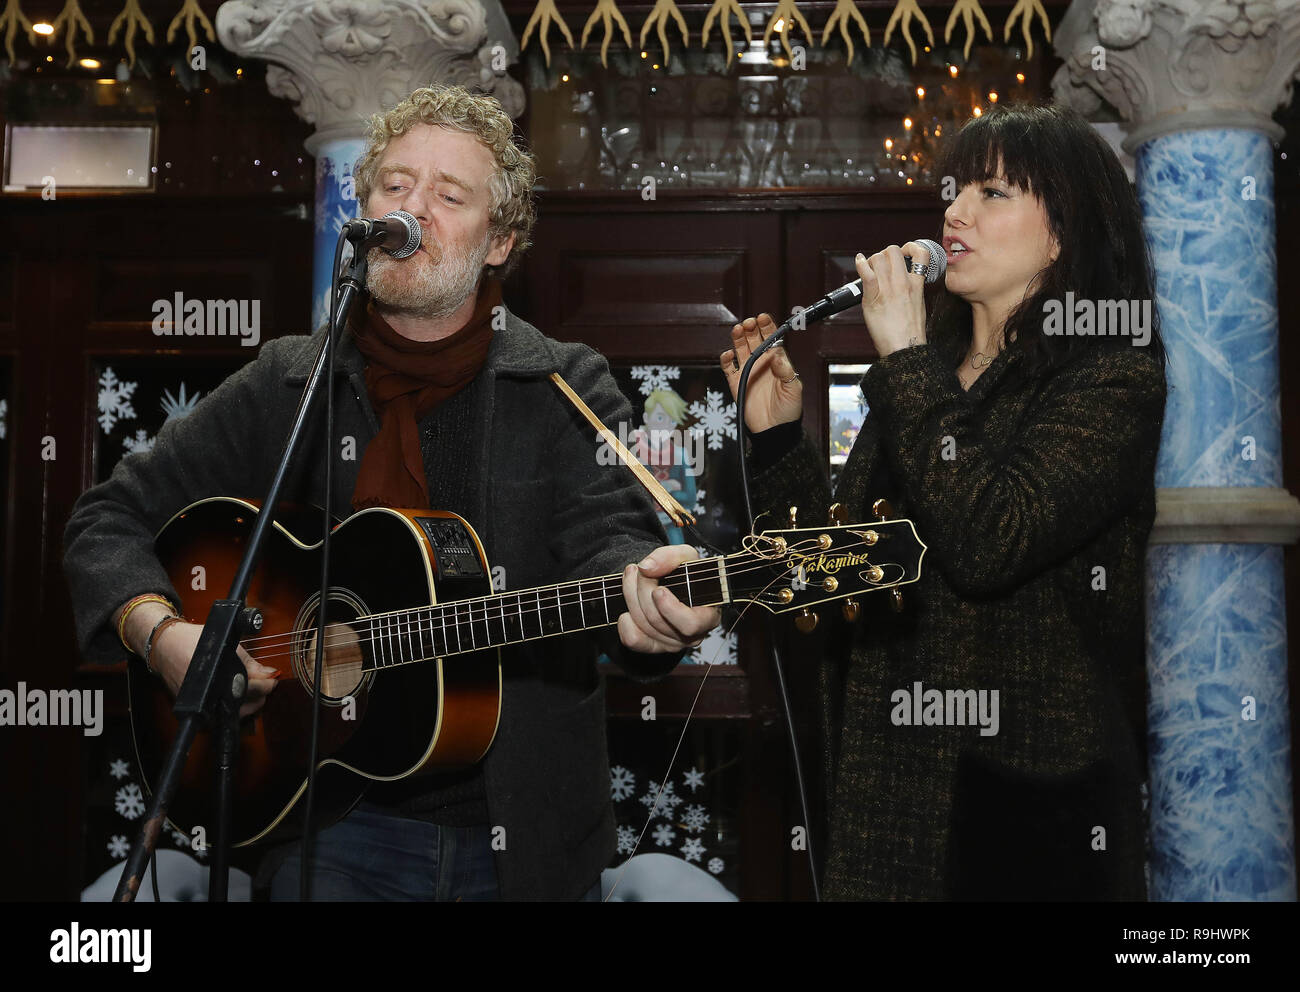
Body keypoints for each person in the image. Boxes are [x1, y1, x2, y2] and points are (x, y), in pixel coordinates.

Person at [62, 84, 719, 902]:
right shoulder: (290, 382)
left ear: (499, 242)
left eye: (450, 195)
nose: (413, 208)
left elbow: (611, 543)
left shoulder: (560, 383)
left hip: (520, 839)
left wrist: (651, 603)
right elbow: (107, 519)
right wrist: (157, 630)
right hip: (324, 826)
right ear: (364, 209)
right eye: (395, 186)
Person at [722, 103, 1167, 900]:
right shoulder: (932, 372)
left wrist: (902, 358)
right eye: (956, 190)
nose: (954, 212)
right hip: (884, 798)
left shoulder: (1110, 378)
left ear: (1066, 229)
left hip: (1022, 808)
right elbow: (834, 575)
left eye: (993, 193)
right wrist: (778, 441)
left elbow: (991, 538)